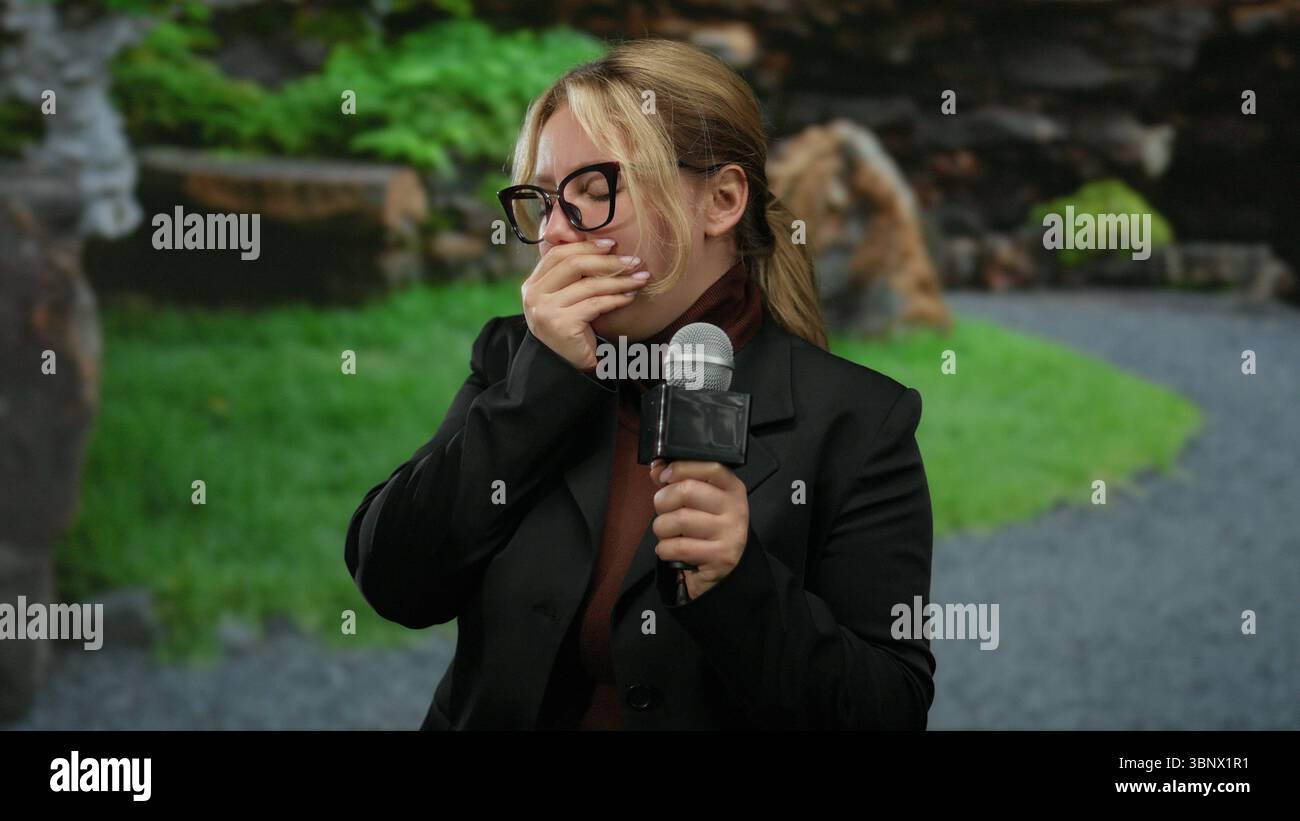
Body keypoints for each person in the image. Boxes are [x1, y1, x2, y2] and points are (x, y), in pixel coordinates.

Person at [344, 38, 936, 730]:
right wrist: (541, 386)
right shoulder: (515, 360)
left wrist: (737, 582)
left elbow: (888, 709)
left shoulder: (859, 421)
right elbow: (395, 579)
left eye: (594, 193)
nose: (556, 235)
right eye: (544, 201)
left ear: (720, 201)